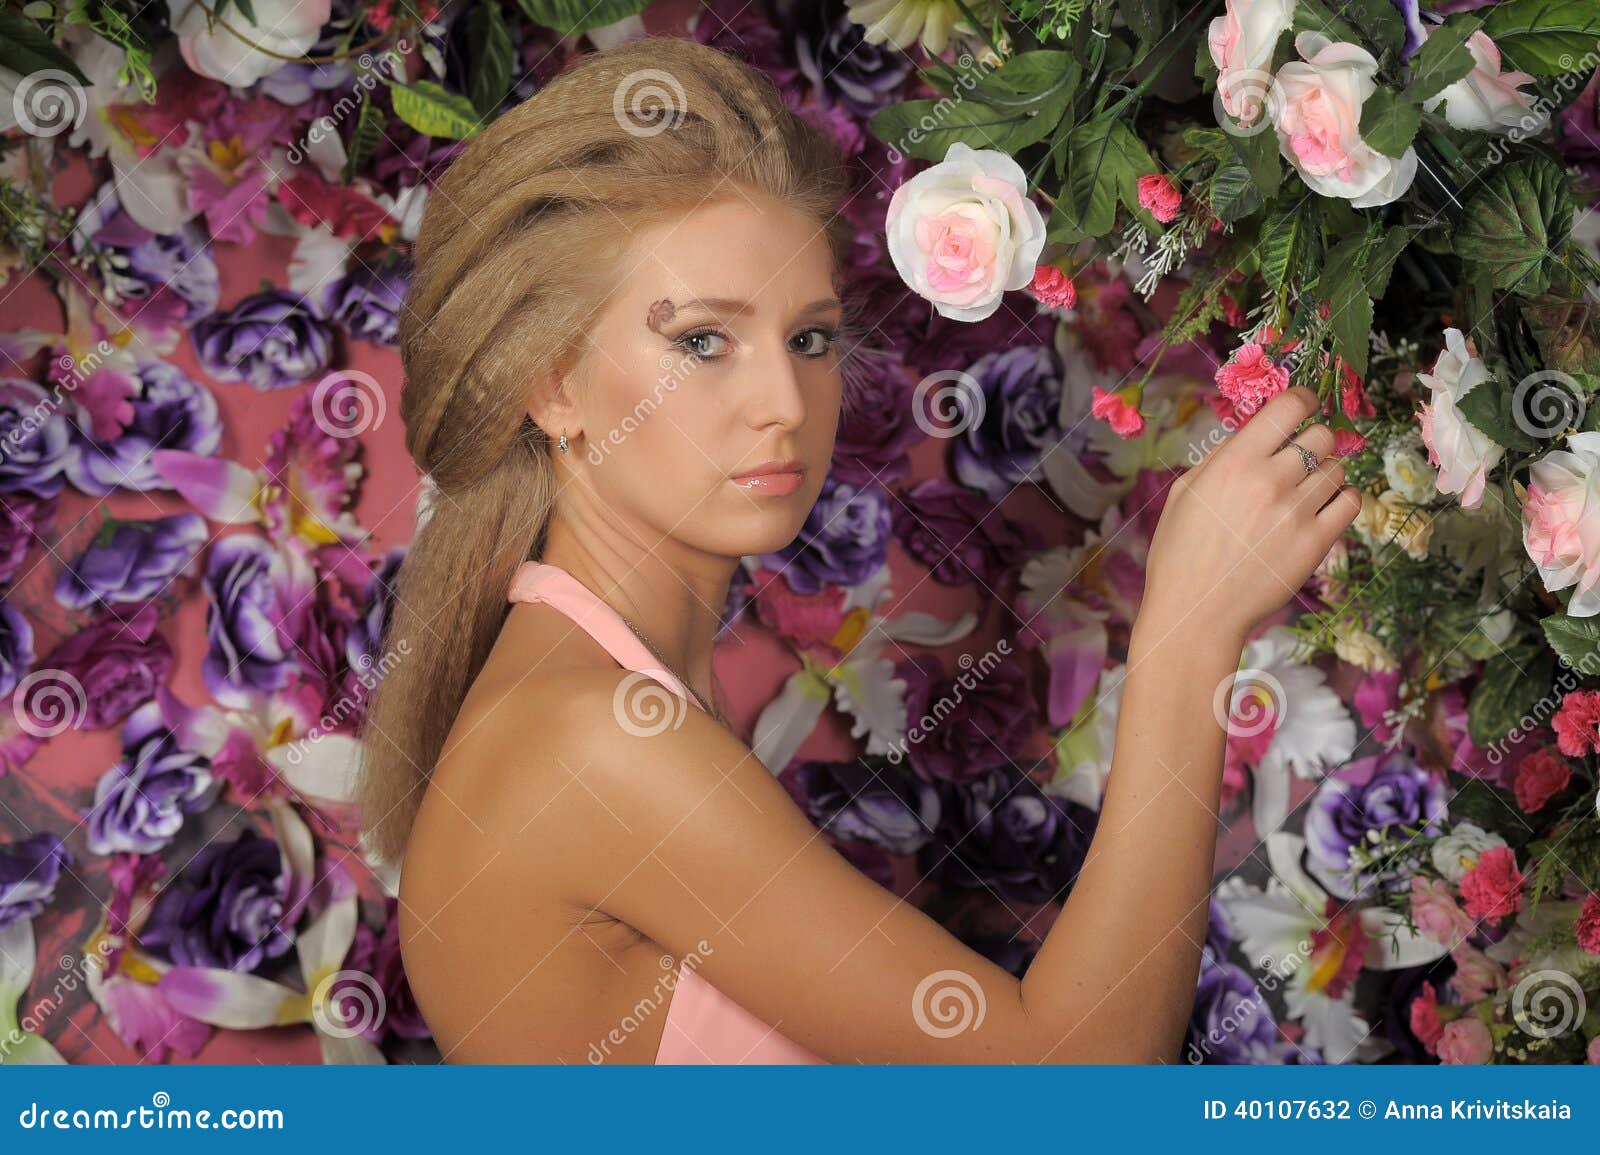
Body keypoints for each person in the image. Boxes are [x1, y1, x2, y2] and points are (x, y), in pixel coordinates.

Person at [356, 34, 1361, 1064]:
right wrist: (1186, 641)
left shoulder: (605, 695)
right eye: (702, 341)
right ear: (553, 386)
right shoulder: (597, 740)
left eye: (810, 339)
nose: (782, 404)